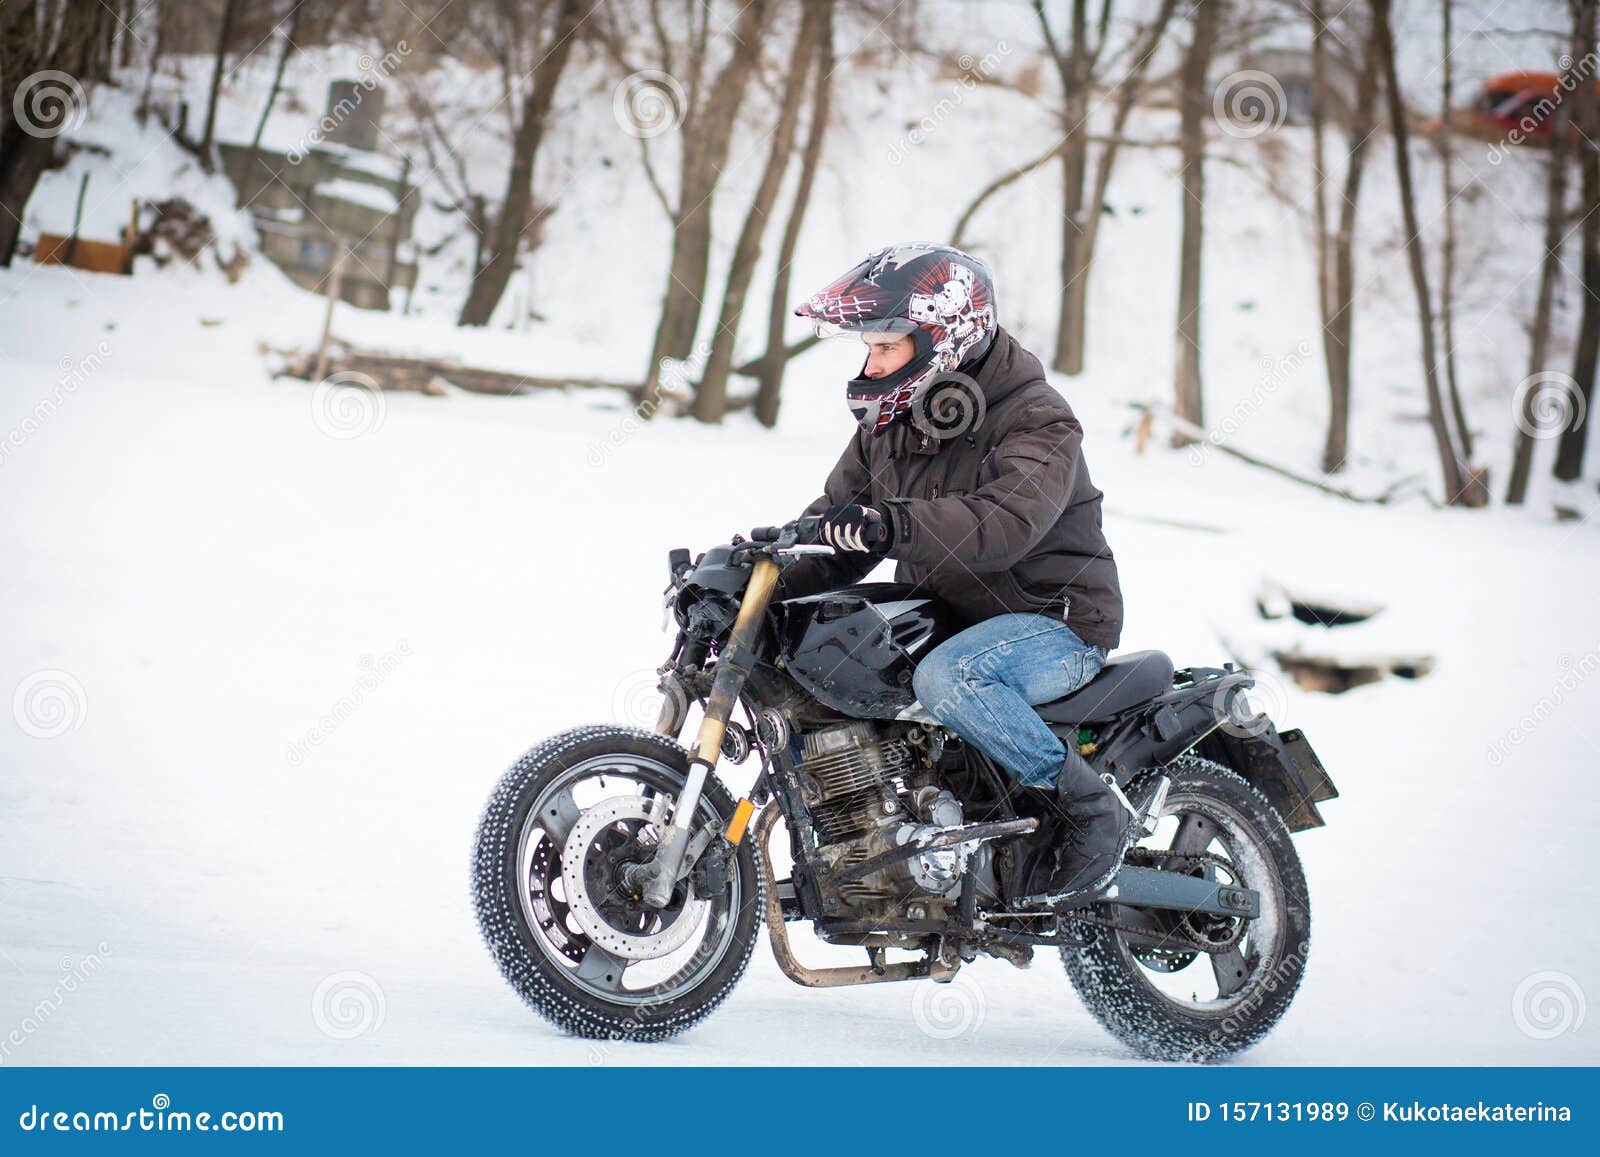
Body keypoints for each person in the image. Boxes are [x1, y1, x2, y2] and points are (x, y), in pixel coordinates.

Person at [778, 243, 1128, 897]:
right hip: (957, 614)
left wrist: (896, 524)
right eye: (870, 349)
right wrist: (764, 574)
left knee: (949, 677)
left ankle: (1087, 809)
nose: (872, 363)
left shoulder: (1035, 417)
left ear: (945, 338)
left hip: (1055, 622)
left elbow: (1002, 524)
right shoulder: (890, 423)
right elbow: (840, 521)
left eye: (887, 348)